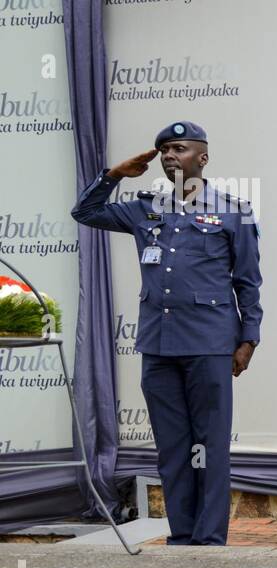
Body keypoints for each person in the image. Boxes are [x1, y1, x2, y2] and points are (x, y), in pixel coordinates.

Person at [71, 121, 262, 546]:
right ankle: (181, 536)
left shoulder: (234, 210)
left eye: (179, 148)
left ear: (203, 157)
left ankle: (209, 539)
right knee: (173, 448)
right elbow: (84, 212)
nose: (169, 155)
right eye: (164, 150)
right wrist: (115, 175)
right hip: (158, 344)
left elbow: (247, 281)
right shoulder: (145, 208)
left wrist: (248, 339)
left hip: (211, 342)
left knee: (209, 448)